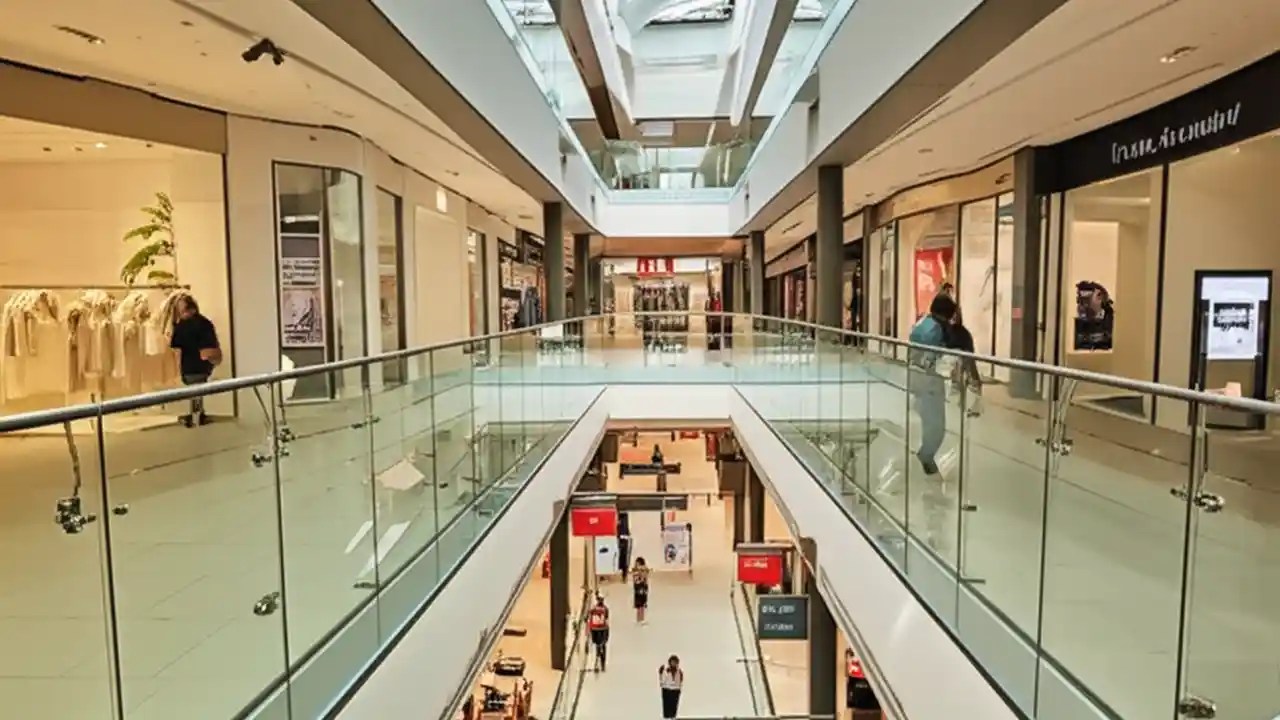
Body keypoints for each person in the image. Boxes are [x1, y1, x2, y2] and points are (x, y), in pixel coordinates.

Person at [907, 294, 957, 475]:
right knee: (936, 426)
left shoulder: (923, 323)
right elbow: (932, 359)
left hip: (916, 378)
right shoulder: (935, 331)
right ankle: (926, 457)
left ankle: (926, 457)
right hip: (929, 382)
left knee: (929, 422)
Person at [170, 296, 221, 428]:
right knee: (199, 388)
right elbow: (213, 342)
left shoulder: (181, 325)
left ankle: (195, 414)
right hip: (204, 363)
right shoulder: (205, 322)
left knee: (193, 390)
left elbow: (176, 348)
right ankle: (198, 413)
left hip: (188, 364)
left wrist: (177, 365)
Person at [947, 307, 984, 416]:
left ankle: (970, 406)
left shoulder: (962, 333)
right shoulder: (953, 332)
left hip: (963, 360)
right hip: (957, 362)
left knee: (967, 380)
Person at [587, 594, 610, 672]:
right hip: (603, 629)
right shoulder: (605, 609)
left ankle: (597, 660)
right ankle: (602, 664)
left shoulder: (593, 609)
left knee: (597, 644)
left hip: (595, 629)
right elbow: (606, 618)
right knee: (603, 645)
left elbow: (589, 616)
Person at [658, 654, 684, 720]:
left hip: (675, 690)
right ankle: (666, 718)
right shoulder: (666, 670)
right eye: (672, 662)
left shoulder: (679, 671)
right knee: (667, 707)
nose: (674, 663)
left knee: (673, 707)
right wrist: (660, 674)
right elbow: (662, 681)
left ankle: (673, 717)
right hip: (667, 689)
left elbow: (680, 681)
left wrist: (679, 688)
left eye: (675, 662)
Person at [632, 557, 651, 624]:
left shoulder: (644, 570)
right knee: (638, 605)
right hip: (638, 589)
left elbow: (646, 575)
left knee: (642, 605)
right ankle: (638, 619)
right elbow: (635, 578)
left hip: (643, 588)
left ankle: (642, 619)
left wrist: (642, 571)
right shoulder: (635, 571)